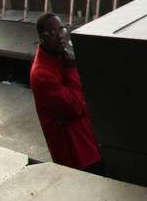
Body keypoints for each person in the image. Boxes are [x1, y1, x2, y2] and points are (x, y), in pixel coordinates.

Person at [29, 14, 102, 174]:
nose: (61, 36)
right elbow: (75, 107)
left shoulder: (60, 57)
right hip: (76, 152)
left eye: (61, 29)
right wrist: (71, 71)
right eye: (54, 32)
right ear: (42, 38)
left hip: (86, 141)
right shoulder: (42, 74)